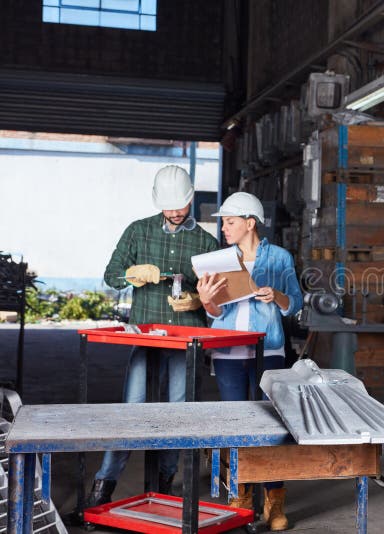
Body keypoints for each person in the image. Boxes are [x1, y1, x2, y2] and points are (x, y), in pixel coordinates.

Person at [86, 165, 218, 507]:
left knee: (179, 412)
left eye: (181, 206)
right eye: (168, 206)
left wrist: (197, 301)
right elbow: (111, 276)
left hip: (184, 340)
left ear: (190, 199)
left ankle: (163, 486)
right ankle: (103, 487)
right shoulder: (138, 232)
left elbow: (218, 300)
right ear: (158, 202)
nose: (175, 213)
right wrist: (132, 274)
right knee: (132, 409)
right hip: (146, 336)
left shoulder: (206, 242)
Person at [195, 191, 302, 531]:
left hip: (267, 350)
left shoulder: (280, 258)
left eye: (230, 221)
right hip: (228, 351)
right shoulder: (220, 260)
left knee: (271, 427)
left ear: (250, 223)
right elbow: (215, 311)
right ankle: (239, 499)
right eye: (223, 222)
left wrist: (278, 295)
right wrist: (206, 300)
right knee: (235, 424)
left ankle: (274, 501)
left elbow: (295, 303)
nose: (224, 228)